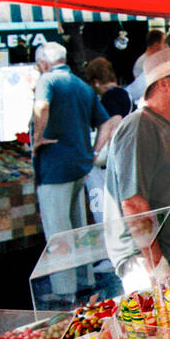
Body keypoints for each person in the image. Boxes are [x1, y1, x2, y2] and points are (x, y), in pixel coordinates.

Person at [103, 47, 170, 289]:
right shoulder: (140, 126)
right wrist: (158, 266)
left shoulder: (159, 125)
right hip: (149, 266)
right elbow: (133, 204)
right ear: (163, 84)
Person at [29, 42, 113, 302]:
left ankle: (65, 290)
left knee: (58, 229)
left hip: (55, 167)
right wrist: (94, 152)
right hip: (79, 165)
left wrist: (38, 138)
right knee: (78, 226)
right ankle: (84, 280)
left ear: (43, 62)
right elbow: (107, 121)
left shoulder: (48, 80)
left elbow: (41, 107)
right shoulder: (81, 85)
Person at [84, 57, 130, 225]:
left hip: (109, 164)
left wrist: (96, 152)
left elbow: (113, 125)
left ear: (95, 81)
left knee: (106, 210)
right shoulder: (124, 94)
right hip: (124, 158)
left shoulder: (110, 97)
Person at [125, 29, 165, 104]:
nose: (166, 47)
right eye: (164, 43)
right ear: (156, 45)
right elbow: (139, 89)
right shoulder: (142, 63)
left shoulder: (157, 60)